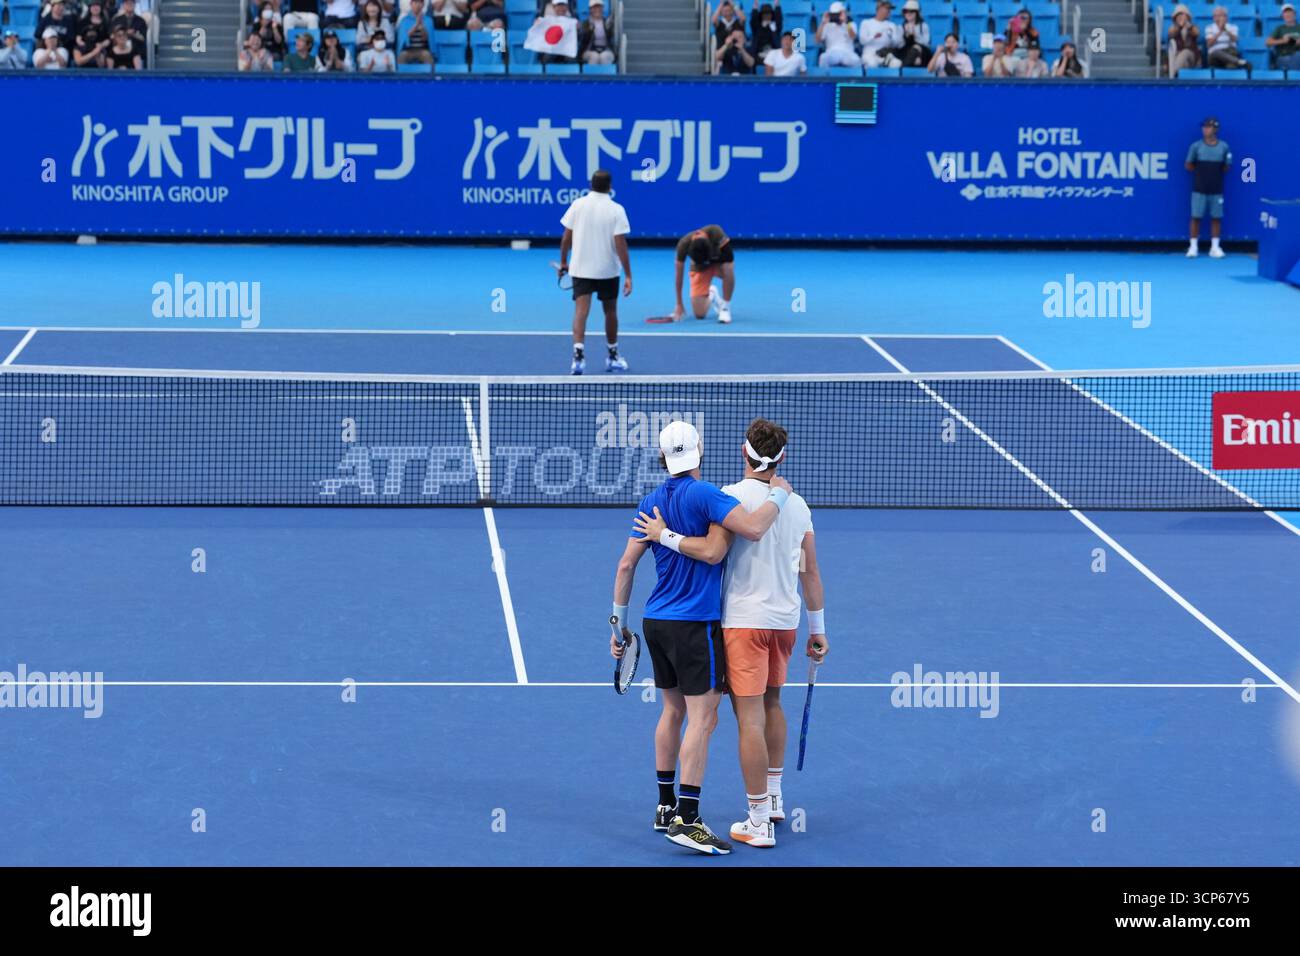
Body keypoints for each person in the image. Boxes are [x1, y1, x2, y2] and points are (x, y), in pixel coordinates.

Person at [634, 419, 826, 850]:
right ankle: (775, 796)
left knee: (748, 718)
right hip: (786, 623)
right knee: (774, 704)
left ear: (743, 453)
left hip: (742, 623)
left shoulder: (727, 497)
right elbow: (809, 571)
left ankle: (758, 818)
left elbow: (714, 551)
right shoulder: (798, 505)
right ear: (782, 457)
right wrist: (819, 630)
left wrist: (662, 534)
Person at [557, 170, 632, 375]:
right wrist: (629, 275)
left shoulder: (577, 205)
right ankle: (613, 356)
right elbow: (621, 245)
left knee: (581, 312)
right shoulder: (617, 209)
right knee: (610, 311)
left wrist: (564, 262)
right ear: (610, 186)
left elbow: (566, 238)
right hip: (608, 270)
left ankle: (578, 359)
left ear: (591, 184)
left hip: (581, 269)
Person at [1185, 116, 1231, 259]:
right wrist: (1203, 174)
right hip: (1199, 189)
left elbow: (1226, 167)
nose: (1205, 129)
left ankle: (1215, 248)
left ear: (1215, 129)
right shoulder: (1196, 146)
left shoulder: (1224, 147)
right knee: (1195, 217)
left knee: (1216, 218)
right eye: (1204, 127)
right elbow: (1188, 165)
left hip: (1216, 189)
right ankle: (1193, 247)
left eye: (1208, 127)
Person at [673, 224, 734, 324]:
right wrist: (679, 304)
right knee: (699, 314)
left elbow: (730, 256)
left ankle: (725, 308)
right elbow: (678, 275)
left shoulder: (715, 231)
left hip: (718, 262)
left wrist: (711, 259)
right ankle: (712, 293)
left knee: (728, 267)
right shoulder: (683, 245)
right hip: (699, 267)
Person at [858, 0, 903, 68]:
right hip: (870, 55)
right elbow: (862, 41)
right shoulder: (866, 23)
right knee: (872, 64)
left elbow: (896, 44)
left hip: (885, 55)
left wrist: (891, 38)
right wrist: (873, 36)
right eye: (887, 8)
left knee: (897, 63)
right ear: (879, 8)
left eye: (890, 9)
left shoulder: (892, 25)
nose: (889, 11)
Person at [817, 0, 859, 67]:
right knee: (823, 57)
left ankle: (854, 77)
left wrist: (846, 22)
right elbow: (818, 40)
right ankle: (824, 76)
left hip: (848, 53)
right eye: (834, 14)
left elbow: (853, 37)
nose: (836, 16)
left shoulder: (850, 24)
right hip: (832, 52)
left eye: (838, 14)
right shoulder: (827, 25)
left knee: (856, 60)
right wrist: (823, 23)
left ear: (844, 13)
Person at [1205, 5, 1247, 72]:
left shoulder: (1233, 27)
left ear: (1226, 17)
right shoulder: (1209, 28)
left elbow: (1235, 39)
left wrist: (1225, 30)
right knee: (1216, 52)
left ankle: (1235, 62)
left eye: (1220, 16)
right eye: (1215, 16)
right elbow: (1209, 44)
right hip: (1214, 56)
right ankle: (1239, 61)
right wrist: (1220, 31)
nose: (1217, 18)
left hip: (1230, 52)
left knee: (1231, 67)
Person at [73, 0, 112, 68]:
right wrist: (82, 43)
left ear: (101, 8)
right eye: (93, 6)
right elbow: (78, 38)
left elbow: (108, 40)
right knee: (78, 55)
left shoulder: (106, 23)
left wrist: (101, 46)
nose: (95, 8)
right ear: (90, 8)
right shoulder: (83, 22)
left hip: (100, 48)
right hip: (85, 47)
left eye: (97, 6)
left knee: (101, 59)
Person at [579, 0, 615, 65]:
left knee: (605, 56)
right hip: (589, 50)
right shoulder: (585, 23)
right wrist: (589, 30)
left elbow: (611, 38)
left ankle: (606, 75)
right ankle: (591, 75)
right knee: (594, 56)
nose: (597, 9)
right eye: (594, 7)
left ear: (602, 8)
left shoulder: (608, 22)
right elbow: (584, 40)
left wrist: (609, 28)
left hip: (606, 50)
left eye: (599, 7)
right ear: (590, 10)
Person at [1167, 4, 1200, 76]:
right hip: (1177, 56)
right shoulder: (1172, 28)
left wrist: (1189, 27)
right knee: (1184, 64)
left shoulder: (1192, 27)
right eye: (1178, 15)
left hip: (1191, 56)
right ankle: (1181, 79)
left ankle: (1173, 73)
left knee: (1185, 52)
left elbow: (1196, 33)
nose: (1180, 17)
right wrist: (1179, 26)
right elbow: (1171, 34)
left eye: (1182, 15)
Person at [896, 0, 931, 68]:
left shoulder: (924, 26)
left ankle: (902, 68)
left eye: (911, 11)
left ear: (917, 13)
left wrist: (915, 35)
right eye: (905, 11)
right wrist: (905, 35)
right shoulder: (901, 27)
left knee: (915, 48)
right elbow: (899, 45)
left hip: (922, 52)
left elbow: (926, 43)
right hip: (906, 52)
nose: (908, 14)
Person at [1267, 3, 1300, 70]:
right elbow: (1268, 42)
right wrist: (1283, 41)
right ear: (1282, 16)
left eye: (1290, 12)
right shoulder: (1280, 28)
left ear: (1294, 14)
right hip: (1284, 56)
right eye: (1285, 13)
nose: (1288, 15)